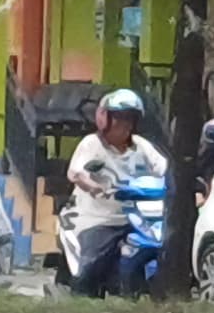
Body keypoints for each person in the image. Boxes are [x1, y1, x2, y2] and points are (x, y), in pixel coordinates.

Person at [61, 88, 164, 298]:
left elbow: (164, 169)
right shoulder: (92, 144)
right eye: (118, 118)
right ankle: (81, 296)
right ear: (104, 119)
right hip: (98, 219)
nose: (123, 124)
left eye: (129, 119)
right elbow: (76, 173)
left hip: (137, 218)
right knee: (91, 263)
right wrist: (92, 186)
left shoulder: (142, 147)